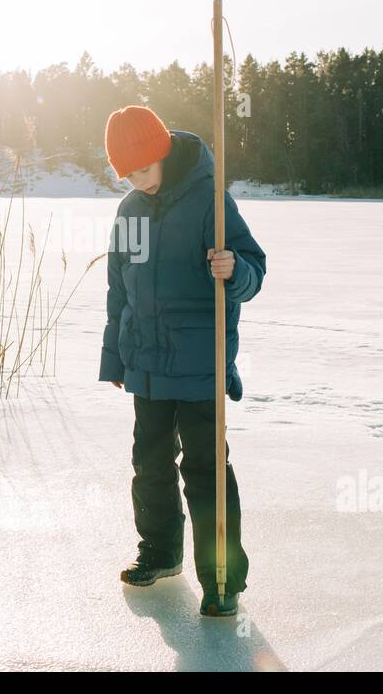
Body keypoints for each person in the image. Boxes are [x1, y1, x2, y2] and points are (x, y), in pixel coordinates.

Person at [98, 105, 267, 617]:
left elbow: (254, 269)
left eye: (143, 170)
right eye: (126, 174)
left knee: (206, 470)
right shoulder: (129, 211)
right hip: (146, 362)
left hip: (199, 365)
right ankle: (161, 551)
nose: (138, 182)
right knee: (149, 464)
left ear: (163, 155)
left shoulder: (211, 202)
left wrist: (233, 268)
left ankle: (222, 578)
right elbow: (117, 288)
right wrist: (115, 358)